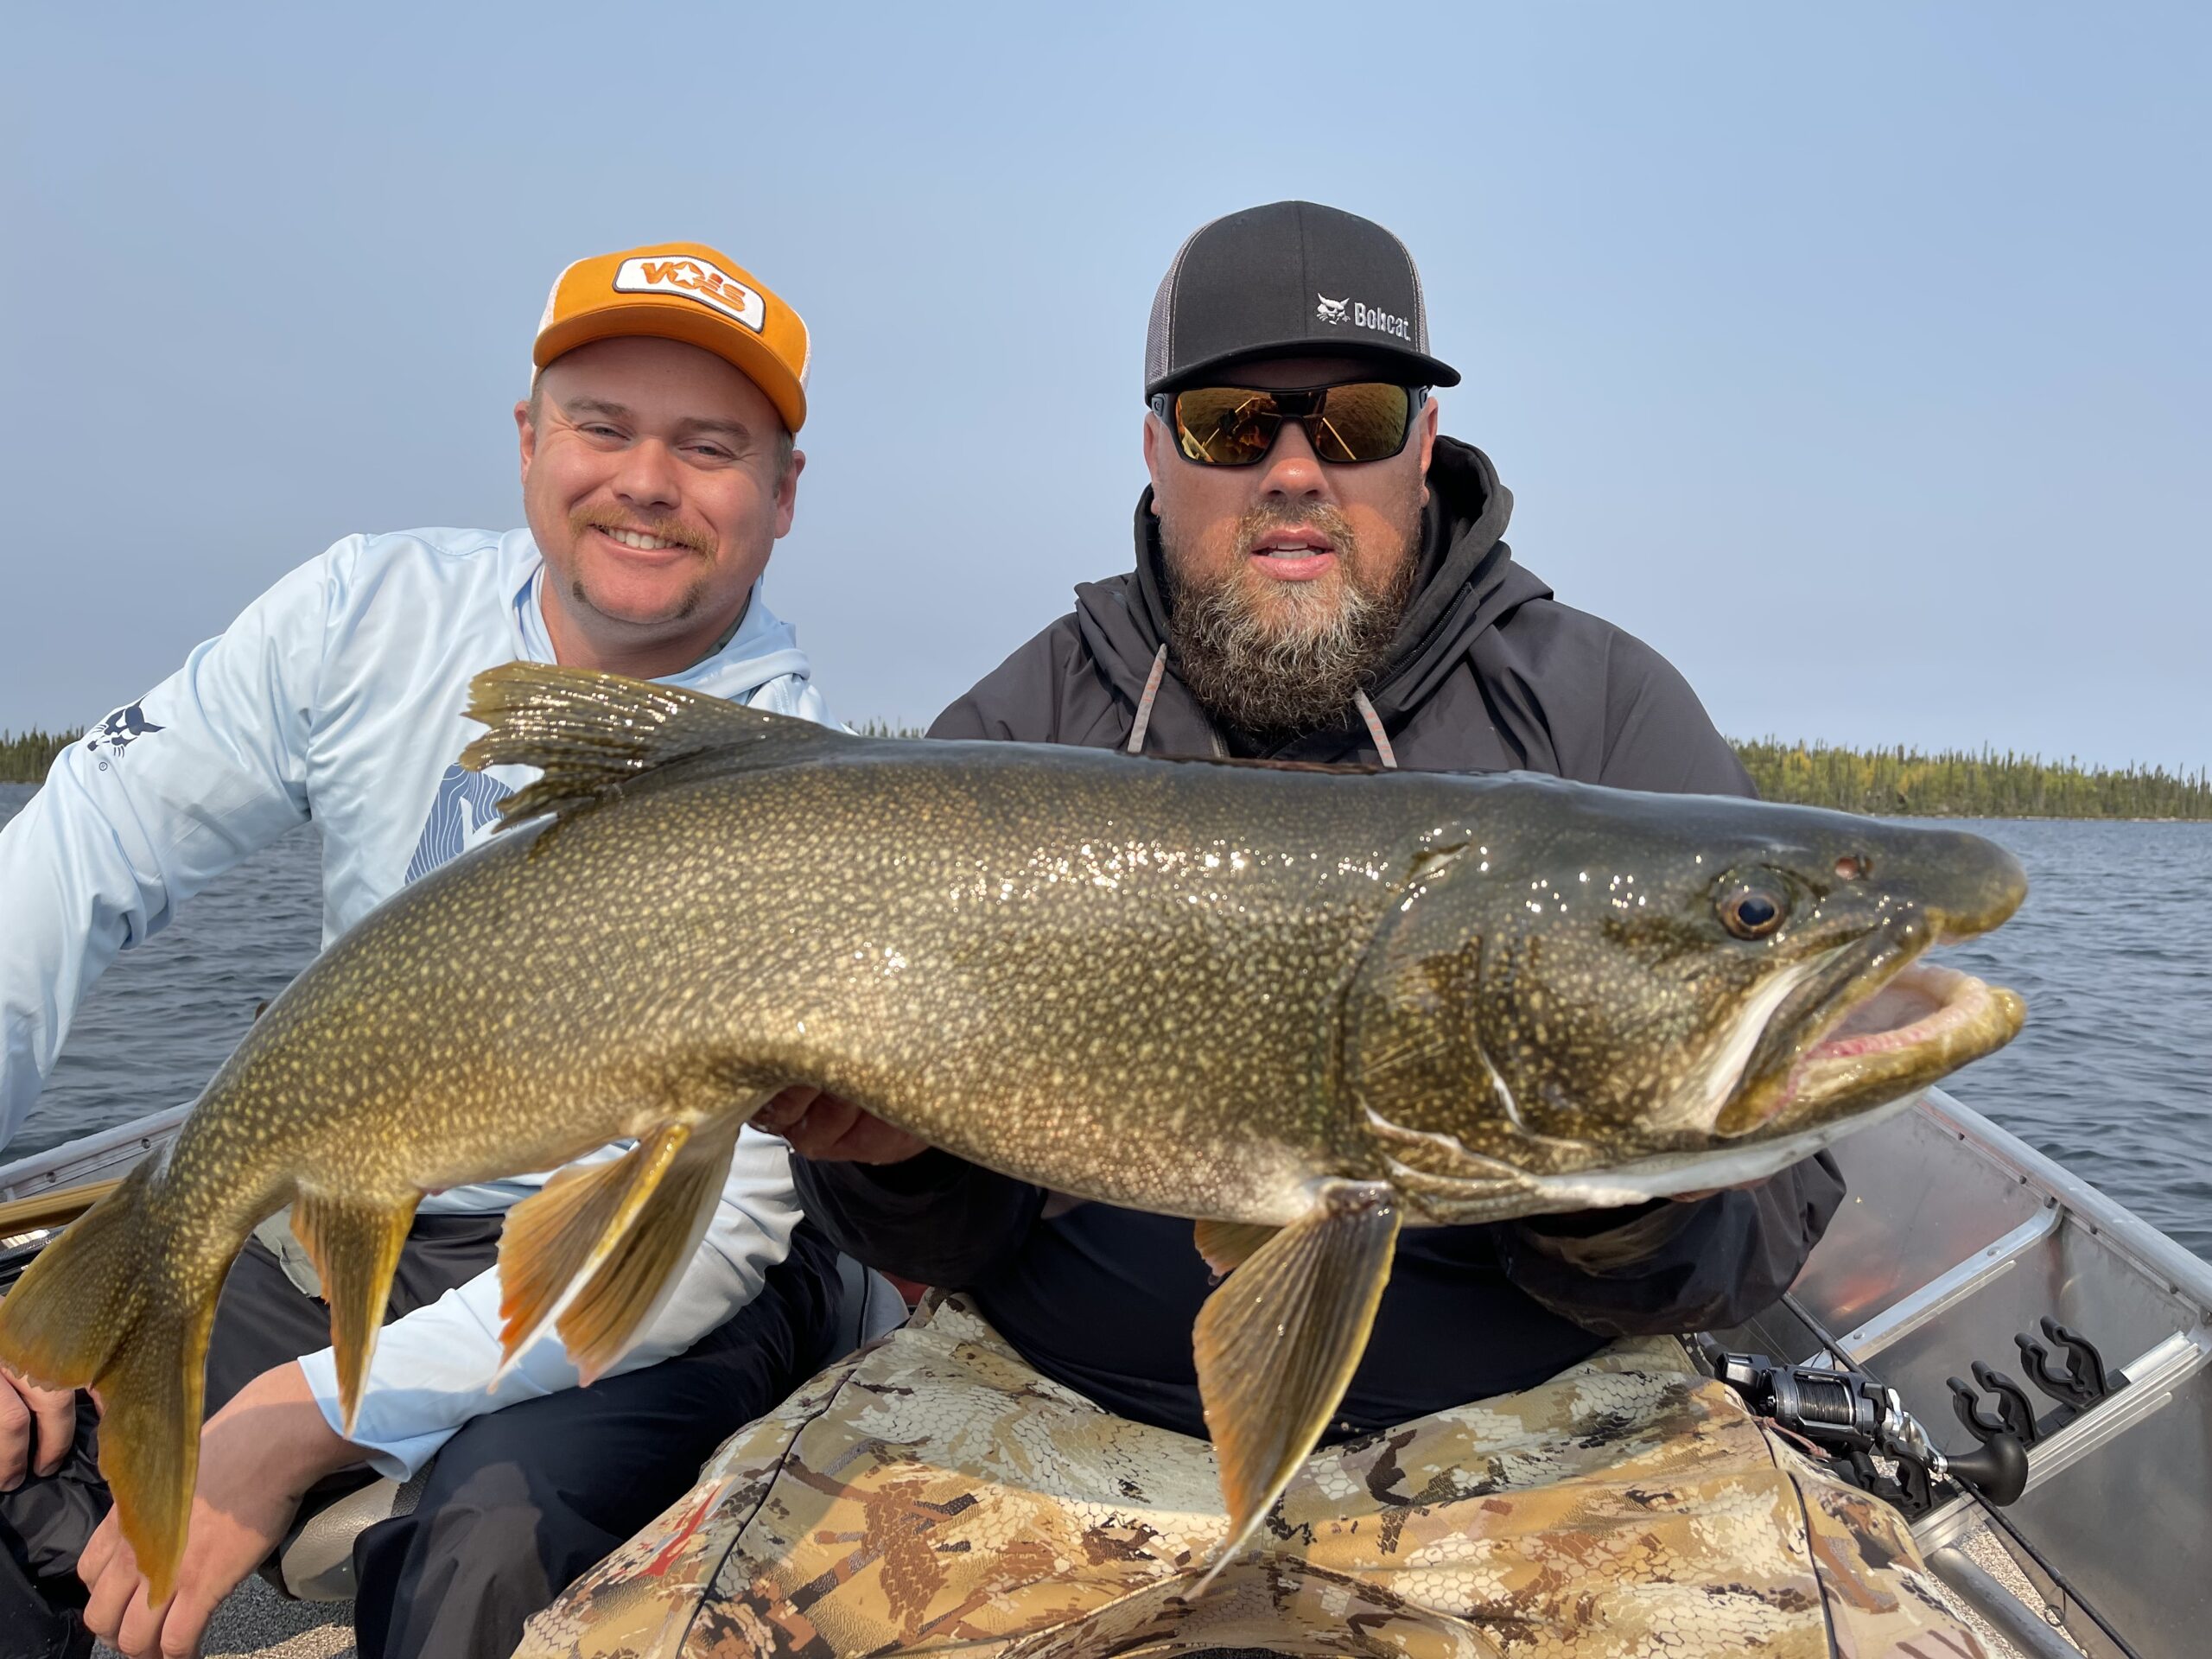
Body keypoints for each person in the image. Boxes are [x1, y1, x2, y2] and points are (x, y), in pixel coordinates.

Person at [518, 204, 1986, 1659]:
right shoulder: (1021, 728)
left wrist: (1606, 1187)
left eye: (1355, 420)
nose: (1294, 470)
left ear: (1423, 443)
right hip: (1035, 1411)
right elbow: (913, 1236)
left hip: (1547, 1434)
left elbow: (1766, 1230)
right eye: (1230, 425)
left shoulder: (1602, 711)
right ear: (1157, 454)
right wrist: (894, 1162)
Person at [0, 243, 844, 1659]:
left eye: (710, 447)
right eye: (602, 426)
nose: (647, 481)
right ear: (527, 442)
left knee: (497, 1558)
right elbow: (77, 853)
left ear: (783, 493)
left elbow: (718, 1230)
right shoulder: (361, 611)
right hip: (334, 1214)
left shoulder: (812, 795)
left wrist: (306, 1417)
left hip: (627, 1265)